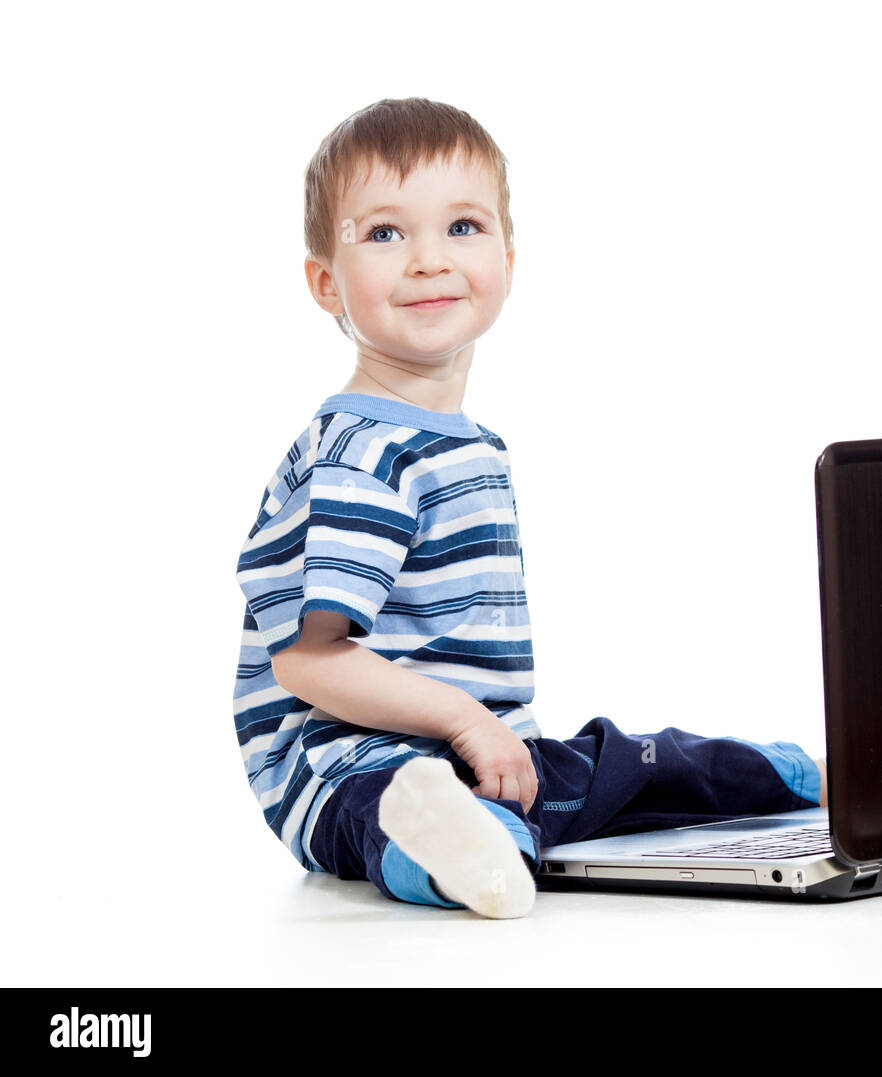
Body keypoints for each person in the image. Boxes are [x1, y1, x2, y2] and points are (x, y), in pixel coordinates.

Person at [233, 98, 826, 919]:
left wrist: (483, 733)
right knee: (398, 805)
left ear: (509, 256)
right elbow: (306, 661)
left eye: (463, 227)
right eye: (384, 234)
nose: (430, 260)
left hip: (483, 743)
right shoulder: (359, 456)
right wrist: (467, 723)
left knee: (636, 763)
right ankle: (450, 847)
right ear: (325, 281)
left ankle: (808, 774)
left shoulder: (471, 445)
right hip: (341, 764)